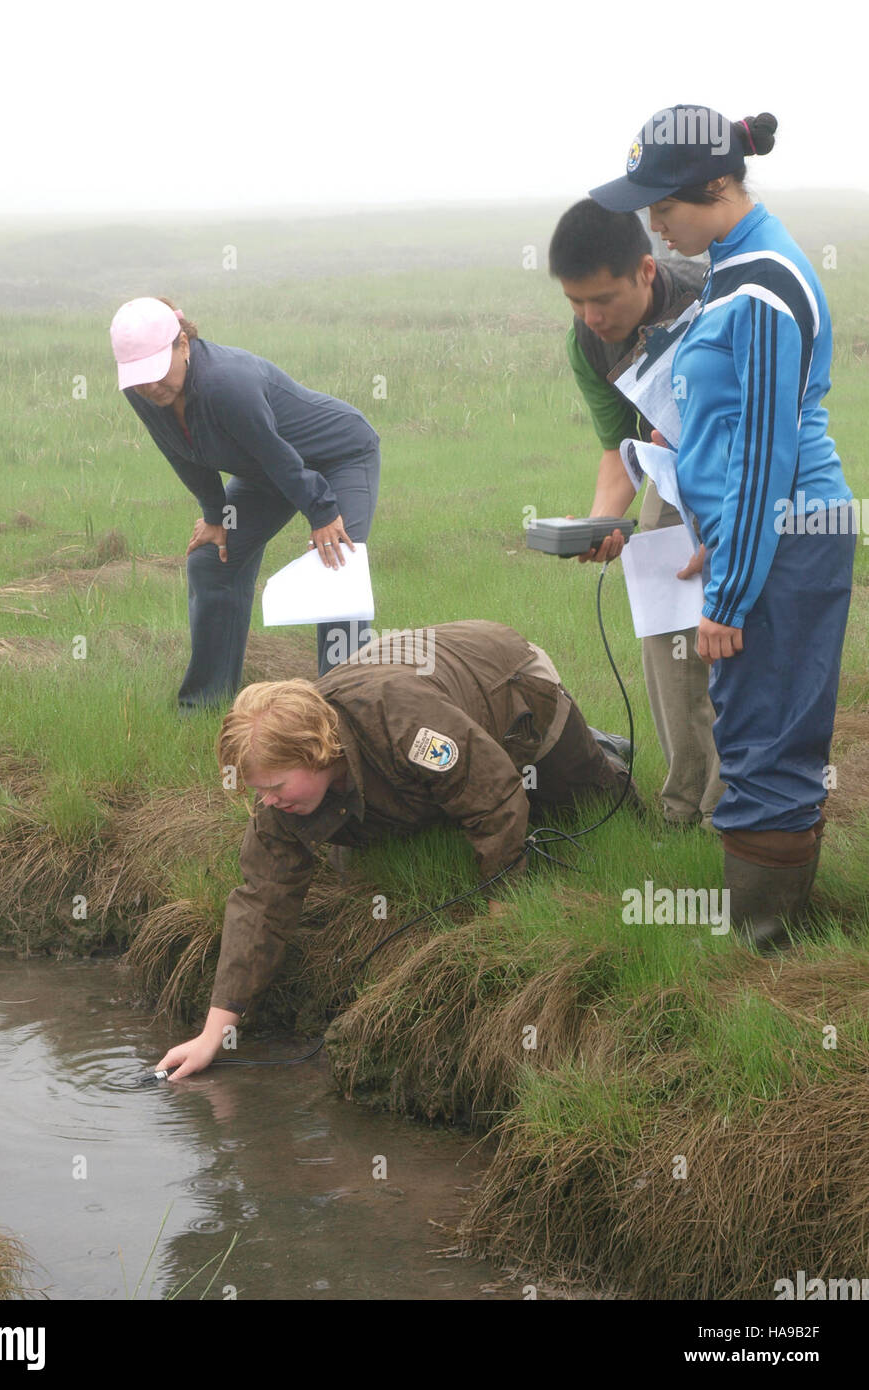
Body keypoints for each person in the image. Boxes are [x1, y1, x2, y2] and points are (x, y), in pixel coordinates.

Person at [589, 107, 856, 950]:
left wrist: (730, 595)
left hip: (789, 529)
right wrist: (717, 532)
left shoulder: (761, 286)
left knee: (763, 734)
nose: (653, 223)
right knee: (758, 725)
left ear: (715, 185)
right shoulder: (731, 267)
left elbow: (769, 453)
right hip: (764, 531)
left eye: (662, 205)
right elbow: (732, 435)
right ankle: (772, 935)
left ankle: (764, 950)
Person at [154, 619, 642, 1079]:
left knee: (581, 800)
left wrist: (501, 909)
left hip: (509, 681)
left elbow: (493, 795)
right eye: (259, 790)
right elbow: (262, 898)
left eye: (275, 786)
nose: (267, 801)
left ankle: (601, 747)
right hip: (426, 694)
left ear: (317, 753)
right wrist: (214, 1033)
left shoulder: (404, 723)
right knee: (397, 822)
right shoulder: (280, 788)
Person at [110, 296, 381, 710]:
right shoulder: (144, 392)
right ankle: (206, 704)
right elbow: (180, 452)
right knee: (211, 560)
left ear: (182, 344)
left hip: (337, 456)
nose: (151, 386)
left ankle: (341, 713)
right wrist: (215, 515)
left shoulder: (226, 383)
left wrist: (322, 512)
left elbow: (277, 453)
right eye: (139, 376)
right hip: (269, 470)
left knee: (336, 574)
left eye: (156, 371)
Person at [548, 199, 723, 830]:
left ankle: (735, 807)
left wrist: (730, 527)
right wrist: (603, 524)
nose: (591, 318)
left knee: (734, 631)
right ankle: (684, 804)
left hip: (744, 468)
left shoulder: (714, 299)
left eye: (603, 300)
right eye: (575, 303)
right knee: (669, 631)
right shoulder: (589, 345)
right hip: (666, 466)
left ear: (646, 272)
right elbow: (617, 447)